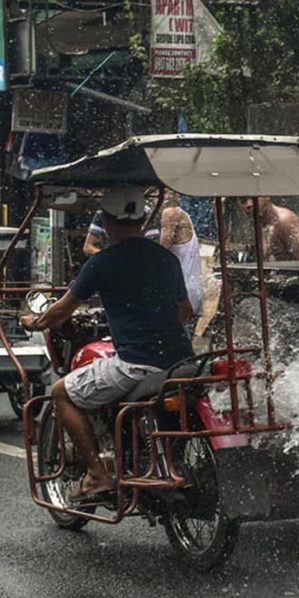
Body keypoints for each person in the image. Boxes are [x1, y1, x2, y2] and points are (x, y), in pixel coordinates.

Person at [21, 187, 194, 502]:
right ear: (142, 219)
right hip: (181, 360)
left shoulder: (103, 263)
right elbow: (185, 312)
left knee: (61, 392)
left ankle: (98, 475)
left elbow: (63, 309)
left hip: (137, 364)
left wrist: (36, 322)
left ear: (106, 221)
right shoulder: (166, 259)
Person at [160, 190, 203, 315]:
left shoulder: (170, 213)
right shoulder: (183, 214)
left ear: (177, 195)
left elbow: (161, 252)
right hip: (191, 290)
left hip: (182, 292)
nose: (166, 197)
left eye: (169, 192)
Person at [238, 196, 299, 261]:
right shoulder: (258, 222)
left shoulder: (285, 221)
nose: (248, 204)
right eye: (243, 200)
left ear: (266, 196)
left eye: (253, 198)